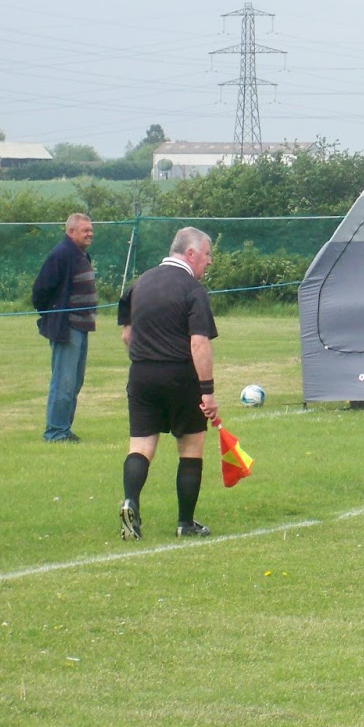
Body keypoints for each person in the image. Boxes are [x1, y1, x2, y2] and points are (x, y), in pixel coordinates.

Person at [116, 227, 219, 540]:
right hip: (180, 376)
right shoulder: (192, 290)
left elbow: (127, 335)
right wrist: (207, 393)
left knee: (141, 446)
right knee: (190, 447)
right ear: (190, 253)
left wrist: (147, 360)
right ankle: (185, 523)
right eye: (207, 255)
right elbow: (198, 344)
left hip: (142, 374)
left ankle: (130, 502)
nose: (209, 261)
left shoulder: (139, 283)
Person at [31, 212, 96, 443]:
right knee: (64, 381)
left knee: (75, 381)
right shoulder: (62, 254)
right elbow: (40, 290)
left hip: (82, 326)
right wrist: (53, 315)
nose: (90, 234)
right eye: (85, 230)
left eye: (91, 230)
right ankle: (55, 432)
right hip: (67, 327)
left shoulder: (81, 254)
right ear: (71, 232)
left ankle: (64, 429)